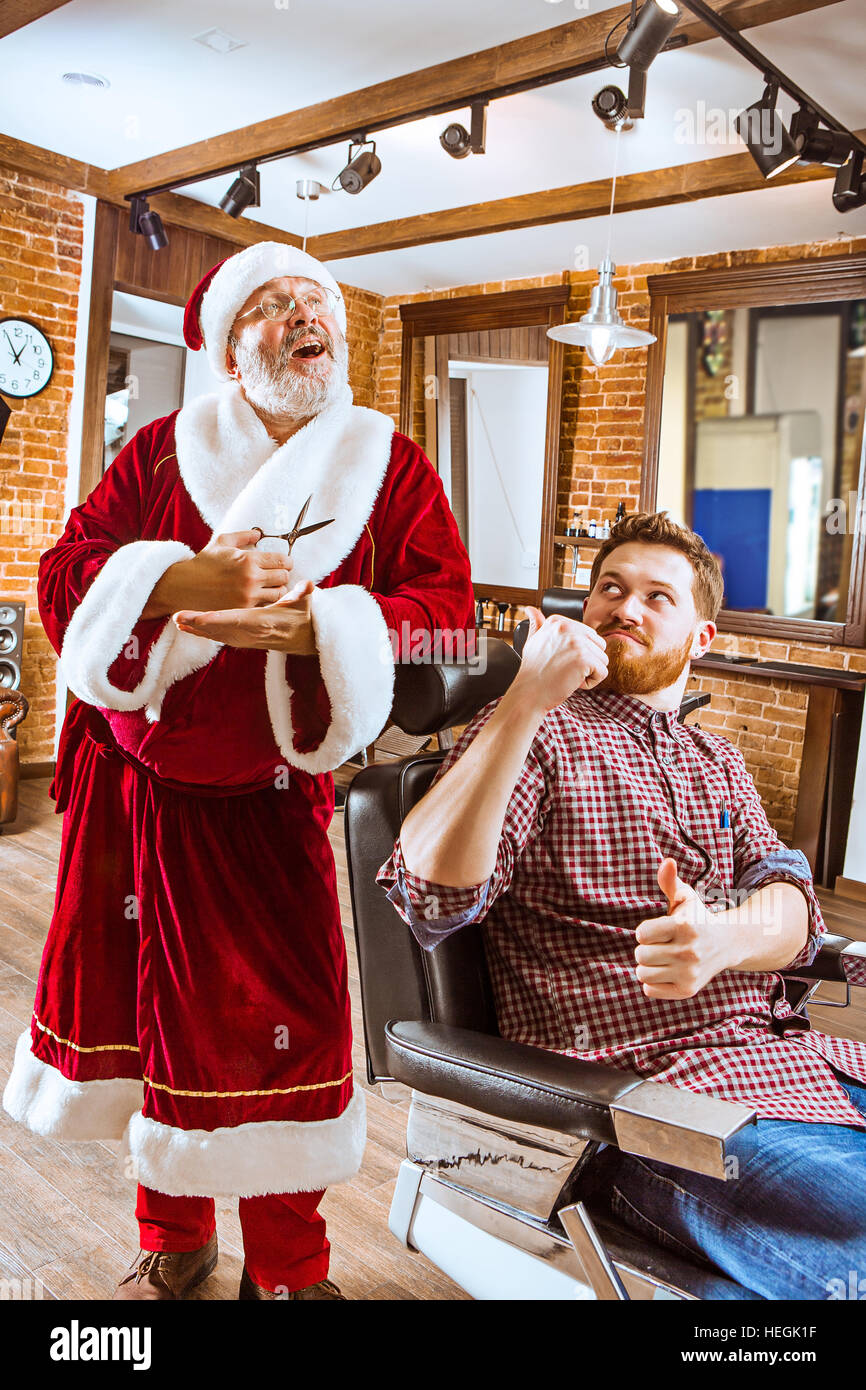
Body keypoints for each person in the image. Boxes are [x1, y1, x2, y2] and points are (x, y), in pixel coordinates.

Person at [3, 241, 475, 1300]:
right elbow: (64, 573)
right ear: (227, 349)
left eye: (315, 298)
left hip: (278, 804)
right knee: (145, 1014)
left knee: (284, 1023)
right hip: (141, 798)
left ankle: (290, 1267)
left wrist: (329, 631)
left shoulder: (385, 464)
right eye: (271, 303)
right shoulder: (163, 450)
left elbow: (450, 629)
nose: (304, 311)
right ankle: (172, 1235)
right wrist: (174, 577)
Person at [377, 511, 866, 1300]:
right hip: (656, 1112)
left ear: (700, 638)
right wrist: (525, 699)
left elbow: (792, 909)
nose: (624, 608)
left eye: (655, 596)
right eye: (610, 588)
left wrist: (723, 938)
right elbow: (430, 894)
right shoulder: (539, 733)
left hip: (800, 1065)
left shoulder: (717, 759)